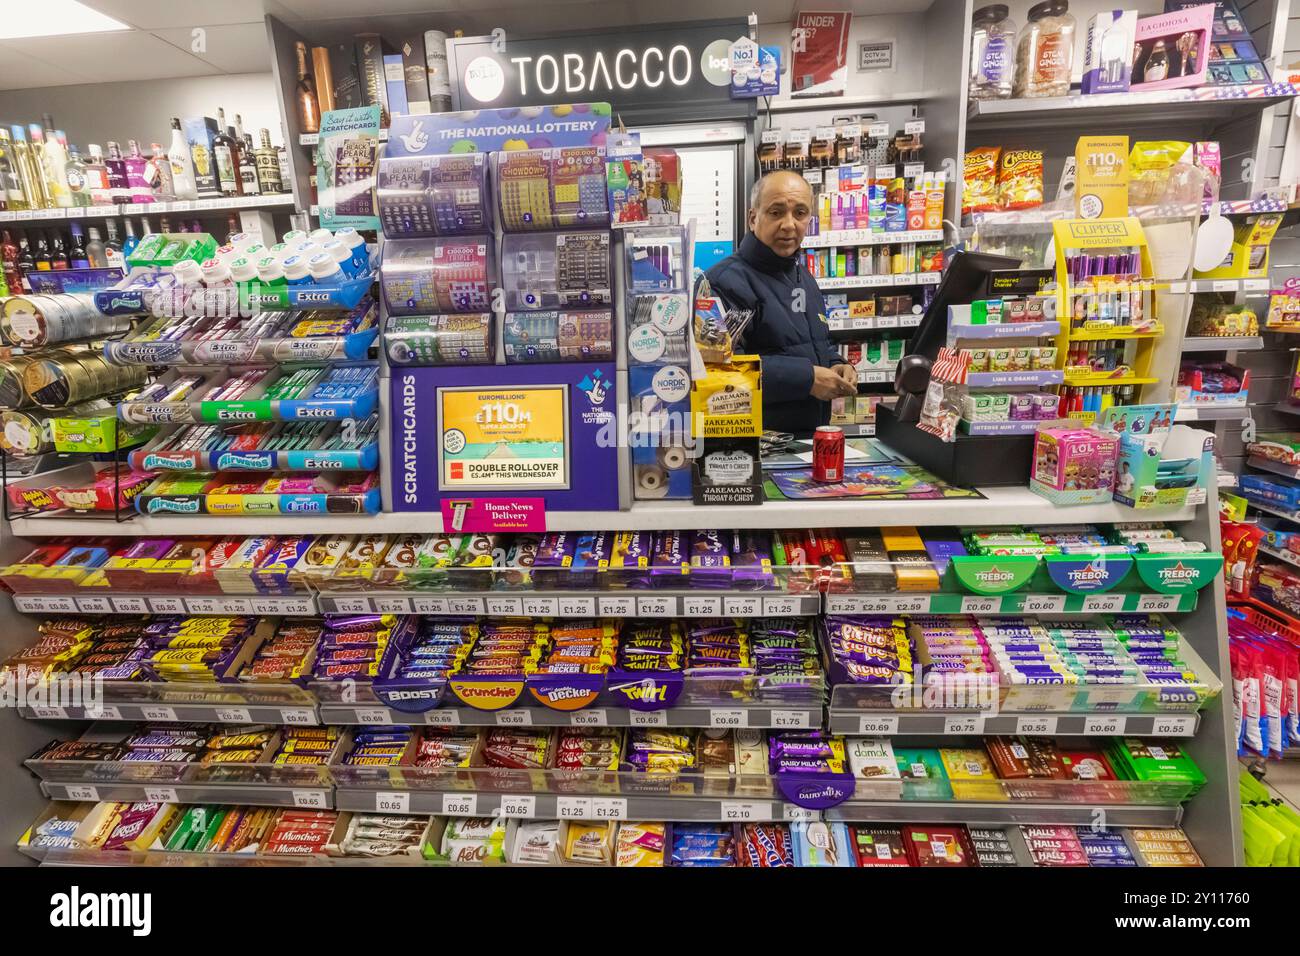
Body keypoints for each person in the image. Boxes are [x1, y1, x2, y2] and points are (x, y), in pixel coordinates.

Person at [704, 169, 858, 434]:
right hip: (758, 448)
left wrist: (836, 364)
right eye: (776, 212)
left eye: (800, 213)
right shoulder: (721, 283)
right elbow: (719, 370)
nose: (789, 224)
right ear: (753, 218)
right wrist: (807, 379)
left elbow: (812, 344)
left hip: (807, 442)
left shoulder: (803, 276)